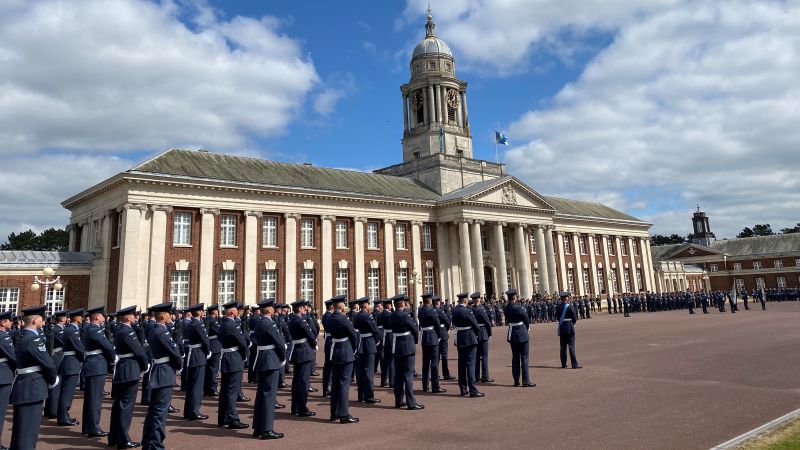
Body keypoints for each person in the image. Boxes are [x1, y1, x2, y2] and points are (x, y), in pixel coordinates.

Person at [9, 305, 59, 450]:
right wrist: (53, 379)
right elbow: (48, 363)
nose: (43, 322)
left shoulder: (23, 336)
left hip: (25, 384)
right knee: (28, 432)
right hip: (32, 386)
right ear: (35, 320)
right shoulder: (32, 339)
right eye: (41, 319)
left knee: (21, 430)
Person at [141, 302, 183, 450]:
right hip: (164, 372)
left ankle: (148, 442)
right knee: (160, 412)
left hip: (160, 370)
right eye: (169, 314)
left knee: (153, 411)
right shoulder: (161, 331)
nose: (171, 316)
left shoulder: (156, 329)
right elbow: (174, 352)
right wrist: (179, 365)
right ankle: (156, 444)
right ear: (164, 316)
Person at [109, 305, 149, 449]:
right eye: (133, 315)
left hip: (122, 368)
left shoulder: (119, 329)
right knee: (126, 406)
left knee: (118, 405)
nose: (135, 317)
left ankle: (114, 437)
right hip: (129, 369)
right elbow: (138, 351)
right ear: (127, 317)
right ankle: (123, 439)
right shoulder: (127, 331)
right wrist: (145, 365)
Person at [251, 298, 286, 440]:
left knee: (261, 395)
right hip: (270, 359)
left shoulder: (260, 322)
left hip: (263, 358)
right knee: (269, 396)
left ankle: (258, 427)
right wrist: (283, 357)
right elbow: (279, 342)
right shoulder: (268, 323)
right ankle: (266, 429)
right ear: (270, 309)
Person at [81, 306, 115, 438]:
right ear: (97, 317)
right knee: (95, 399)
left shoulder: (92, 328)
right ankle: (93, 428)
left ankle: (88, 427)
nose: (104, 318)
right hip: (96, 366)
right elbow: (107, 345)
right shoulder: (95, 329)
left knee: (91, 399)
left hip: (94, 365)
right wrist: (113, 358)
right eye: (102, 315)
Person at [325, 296, 359, 423]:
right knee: (344, 384)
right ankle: (344, 414)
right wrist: (354, 349)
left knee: (335, 385)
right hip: (345, 351)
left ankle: (334, 413)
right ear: (341, 306)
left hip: (336, 351)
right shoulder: (343, 318)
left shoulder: (330, 318)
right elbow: (353, 335)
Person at [217, 300, 249, 429]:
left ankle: (223, 417)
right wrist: (244, 355)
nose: (238, 311)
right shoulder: (231, 324)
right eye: (236, 309)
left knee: (225, 390)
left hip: (227, 358)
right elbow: (242, 343)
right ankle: (232, 418)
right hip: (233, 359)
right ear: (232, 312)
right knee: (232, 391)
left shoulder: (225, 323)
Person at [389, 294, 423, 410]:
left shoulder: (392, 316)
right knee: (408, 374)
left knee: (398, 375)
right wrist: (415, 342)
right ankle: (411, 402)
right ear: (403, 304)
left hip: (397, 345)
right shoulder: (405, 315)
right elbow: (414, 328)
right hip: (407, 345)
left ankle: (398, 400)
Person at [288, 300, 317, 417]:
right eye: (303, 307)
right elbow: (310, 335)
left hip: (297, 351)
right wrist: (314, 344)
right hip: (304, 351)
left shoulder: (292, 320)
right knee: (303, 382)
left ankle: (294, 407)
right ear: (299, 309)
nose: (305, 309)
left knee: (297, 381)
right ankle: (302, 408)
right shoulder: (300, 320)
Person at [57, 308, 85, 426]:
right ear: (76, 318)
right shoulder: (72, 330)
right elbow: (78, 347)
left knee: (66, 391)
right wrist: (85, 357)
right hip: (71, 362)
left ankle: (64, 415)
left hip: (70, 361)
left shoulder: (70, 329)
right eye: (80, 317)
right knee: (67, 392)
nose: (82, 319)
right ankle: (63, 417)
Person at [452, 293, 483, 398]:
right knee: (470, 364)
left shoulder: (455, 311)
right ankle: (473, 390)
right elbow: (476, 325)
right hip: (469, 338)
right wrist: (476, 335)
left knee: (461, 364)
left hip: (460, 337)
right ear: (465, 301)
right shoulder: (467, 311)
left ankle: (463, 389)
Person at [183, 303, 210, 421]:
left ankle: (188, 411)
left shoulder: (191, 323)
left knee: (191, 385)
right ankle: (194, 411)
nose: (203, 313)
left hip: (192, 353)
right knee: (197, 386)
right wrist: (208, 351)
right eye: (202, 311)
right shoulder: (197, 324)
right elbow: (205, 340)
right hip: (198, 355)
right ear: (198, 313)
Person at [353, 297, 381, 403]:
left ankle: (361, 395)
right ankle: (369, 395)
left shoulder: (357, 316)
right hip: (369, 344)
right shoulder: (367, 316)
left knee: (360, 372)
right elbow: (375, 329)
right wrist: (377, 339)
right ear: (365, 306)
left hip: (360, 343)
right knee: (369, 371)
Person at [504, 289, 535, 387]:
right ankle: (526, 381)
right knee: (524, 357)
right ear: (515, 297)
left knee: (515, 358)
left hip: (512, 333)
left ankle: (516, 380)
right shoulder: (519, 307)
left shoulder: (506, 308)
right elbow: (526, 319)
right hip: (521, 332)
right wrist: (527, 328)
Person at [418, 293, 445, 393]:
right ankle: (435, 386)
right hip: (433, 337)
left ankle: (425, 385)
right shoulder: (432, 311)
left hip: (424, 337)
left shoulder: (420, 311)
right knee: (434, 363)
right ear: (429, 301)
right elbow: (437, 324)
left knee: (425, 363)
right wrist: (439, 336)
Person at [0, 311, 16, 450]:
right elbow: (12, 356)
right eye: (9, 320)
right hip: (2, 375)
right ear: (2, 323)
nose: (11, 323)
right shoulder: (3, 336)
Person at [471, 293, 493, 383]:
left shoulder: (471, 309)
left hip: (474, 333)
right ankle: (485, 376)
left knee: (476, 356)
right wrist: (490, 333)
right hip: (483, 333)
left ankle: (476, 376)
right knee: (484, 356)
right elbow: (487, 322)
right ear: (478, 300)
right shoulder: (481, 309)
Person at [555, 292, 581, 369]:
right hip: (570, 327)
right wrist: (572, 324)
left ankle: (563, 363)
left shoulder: (558, 307)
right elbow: (575, 318)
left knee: (562, 347)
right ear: (566, 298)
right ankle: (574, 364)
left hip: (562, 327)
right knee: (571, 346)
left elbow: (558, 317)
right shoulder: (570, 307)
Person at [204, 304, 222, 397]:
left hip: (209, 345)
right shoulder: (213, 321)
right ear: (214, 311)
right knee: (213, 369)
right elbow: (220, 332)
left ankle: (206, 388)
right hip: (214, 345)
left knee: (208, 369)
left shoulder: (206, 319)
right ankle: (212, 388)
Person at [434, 296, 454, 380]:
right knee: (444, 355)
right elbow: (447, 321)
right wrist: (447, 329)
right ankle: (446, 373)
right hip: (442, 333)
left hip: (434, 333)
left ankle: (435, 373)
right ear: (438, 302)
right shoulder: (439, 311)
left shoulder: (431, 311)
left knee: (436, 356)